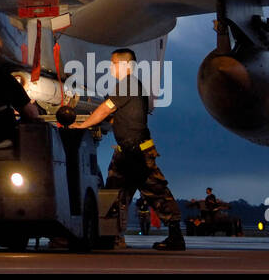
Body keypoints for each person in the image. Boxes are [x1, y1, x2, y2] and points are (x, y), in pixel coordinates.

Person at [71, 48, 185, 250]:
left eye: (113, 63)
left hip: (137, 151)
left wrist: (83, 125)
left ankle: (175, 236)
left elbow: (106, 108)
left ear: (125, 65)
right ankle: (111, 237)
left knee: (156, 191)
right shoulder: (126, 86)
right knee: (114, 194)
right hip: (125, 151)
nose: (110, 67)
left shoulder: (129, 84)